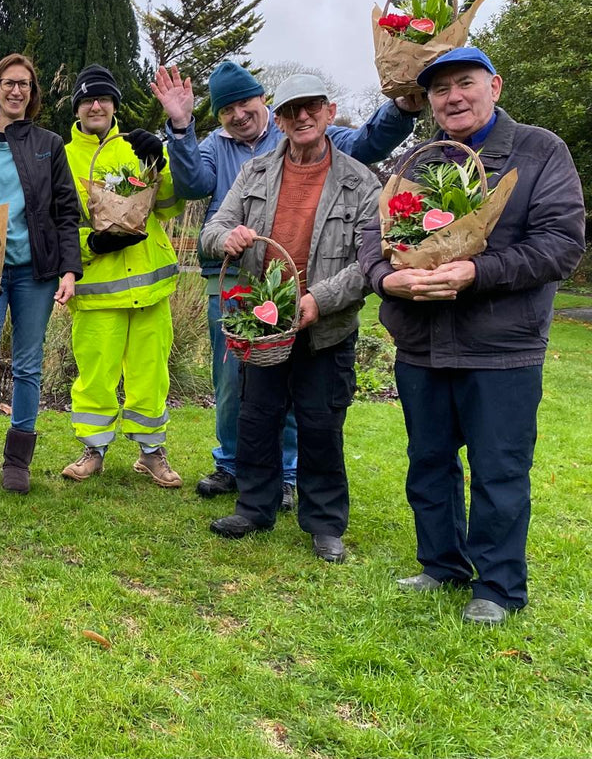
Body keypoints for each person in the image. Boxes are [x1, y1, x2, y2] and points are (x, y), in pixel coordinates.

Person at [359, 47, 585, 623]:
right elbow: (371, 233)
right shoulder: (420, 159)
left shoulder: (539, 151)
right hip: (422, 343)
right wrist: (390, 279)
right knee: (428, 460)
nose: (453, 97)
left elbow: (561, 244)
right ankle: (441, 565)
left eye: (465, 83)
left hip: (501, 346)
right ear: (428, 102)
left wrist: (476, 271)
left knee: (499, 467)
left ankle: (500, 586)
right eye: (440, 90)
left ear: (495, 86)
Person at [157, 61, 421, 511]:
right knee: (239, 387)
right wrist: (181, 126)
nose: (238, 114)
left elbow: (368, 144)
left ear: (266, 104)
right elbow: (195, 188)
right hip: (240, 282)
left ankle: (291, 477)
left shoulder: (328, 149)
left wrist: (399, 106)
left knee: (309, 396)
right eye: (226, 109)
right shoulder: (222, 153)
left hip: (318, 289)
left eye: (244, 102)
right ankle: (236, 468)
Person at [199, 74, 380, 563]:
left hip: (326, 324)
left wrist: (318, 300)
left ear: (329, 112)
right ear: (278, 120)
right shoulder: (255, 173)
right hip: (265, 322)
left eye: (311, 108)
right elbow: (212, 228)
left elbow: (370, 262)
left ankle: (324, 524)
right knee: (257, 418)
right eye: (291, 110)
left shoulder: (361, 181)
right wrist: (226, 239)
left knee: (321, 424)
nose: (301, 117)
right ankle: (254, 507)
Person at [0, 53, 82, 493]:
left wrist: (69, 270)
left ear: (32, 92)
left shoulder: (50, 143)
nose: (15, 91)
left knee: (28, 366)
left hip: (35, 273)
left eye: (24, 84)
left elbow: (67, 212)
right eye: (8, 83)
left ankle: (17, 461)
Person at [61, 65, 185, 487]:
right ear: (77, 108)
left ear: (114, 104)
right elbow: (57, 225)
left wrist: (157, 161)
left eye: (103, 98)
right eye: (87, 99)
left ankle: (151, 453)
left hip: (151, 287)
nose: (96, 105)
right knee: (95, 373)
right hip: (97, 291)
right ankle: (93, 449)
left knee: (151, 372)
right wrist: (89, 245)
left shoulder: (136, 146)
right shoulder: (64, 157)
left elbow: (168, 206)